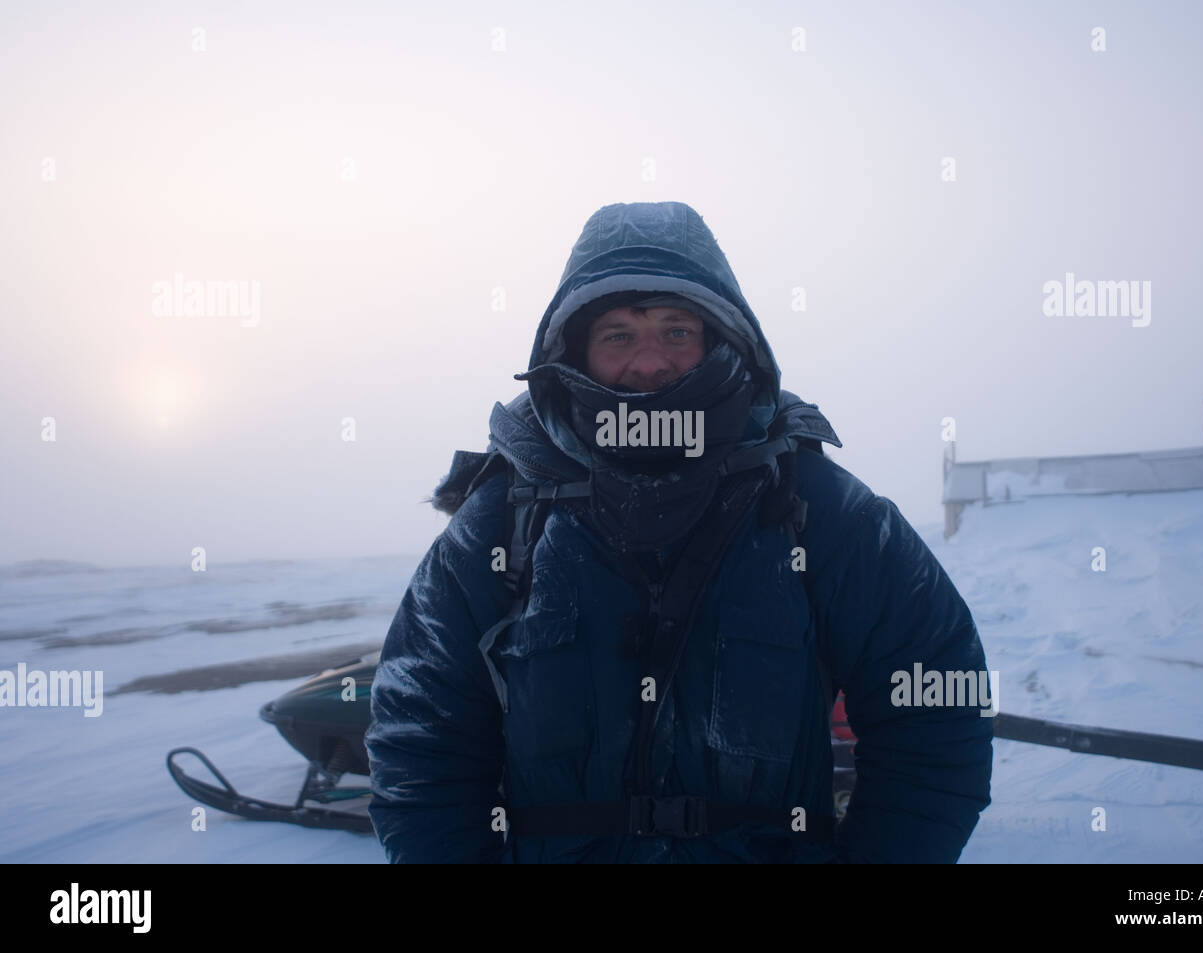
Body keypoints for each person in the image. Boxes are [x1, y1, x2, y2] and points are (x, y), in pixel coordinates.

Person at [365, 200, 994, 863]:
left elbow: (939, 708)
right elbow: (418, 740)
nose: (648, 363)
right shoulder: (506, 517)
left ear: (721, 339)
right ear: (572, 349)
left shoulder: (814, 506)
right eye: (617, 335)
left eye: (675, 331)